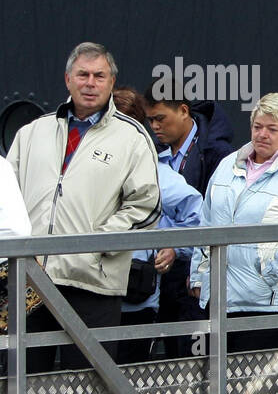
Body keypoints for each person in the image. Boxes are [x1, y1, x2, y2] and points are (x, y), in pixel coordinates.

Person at [7, 42, 161, 372]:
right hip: (31, 279)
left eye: (99, 76)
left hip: (92, 282)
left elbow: (146, 206)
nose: (90, 83)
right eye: (83, 74)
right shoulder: (32, 133)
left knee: (91, 389)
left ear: (111, 83)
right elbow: (8, 200)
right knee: (25, 382)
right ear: (68, 79)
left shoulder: (132, 137)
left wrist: (95, 245)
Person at [190, 93, 278, 353]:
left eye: (272, 129)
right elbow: (205, 220)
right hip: (217, 299)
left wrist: (268, 276)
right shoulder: (227, 165)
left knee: (255, 390)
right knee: (213, 384)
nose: (262, 134)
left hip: (265, 304)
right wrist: (199, 276)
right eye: (257, 126)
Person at [112, 89, 203, 365]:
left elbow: (199, 219)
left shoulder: (157, 174)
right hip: (87, 295)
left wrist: (174, 246)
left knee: (127, 386)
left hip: (134, 299)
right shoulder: (82, 170)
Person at [145, 94, 236, 358]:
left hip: (195, 277)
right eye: (150, 120)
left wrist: (189, 258)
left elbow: (217, 217)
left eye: (160, 118)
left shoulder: (218, 153)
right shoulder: (151, 150)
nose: (155, 126)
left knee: (192, 363)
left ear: (184, 111)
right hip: (158, 277)